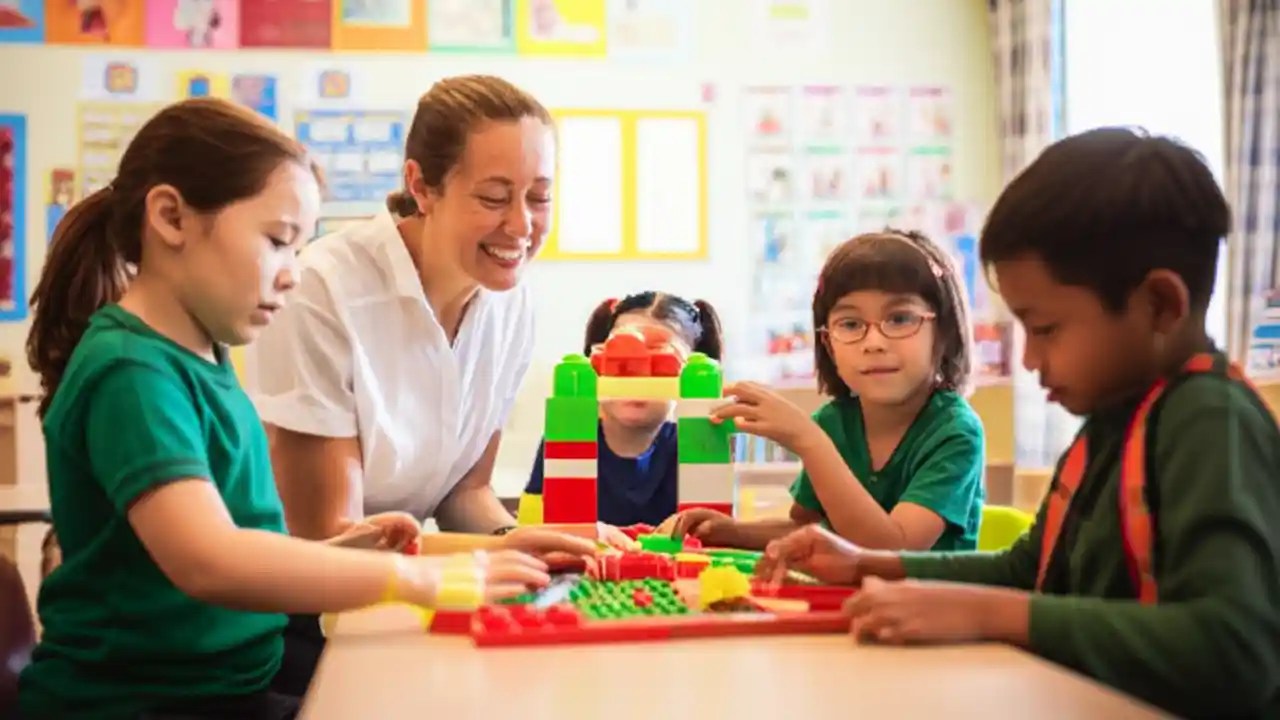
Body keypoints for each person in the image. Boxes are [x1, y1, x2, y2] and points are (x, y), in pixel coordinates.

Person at [17, 98, 592, 720]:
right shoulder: (131, 372)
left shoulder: (200, 360)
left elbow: (246, 538)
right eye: (277, 242)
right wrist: (415, 580)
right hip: (140, 704)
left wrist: (360, 550)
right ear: (170, 218)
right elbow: (209, 560)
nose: (293, 275)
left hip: (227, 687)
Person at [754, 128, 1280, 719]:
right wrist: (868, 564)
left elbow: (1237, 649)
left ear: (1159, 304)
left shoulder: (1209, 420)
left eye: (1046, 328)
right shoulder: (1116, 419)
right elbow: (1031, 568)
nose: (1029, 359)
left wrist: (985, 614)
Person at [245, 74, 608, 692]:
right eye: (495, 197)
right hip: (294, 623)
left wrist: (519, 543)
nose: (521, 225)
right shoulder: (323, 288)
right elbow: (333, 540)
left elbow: (465, 491)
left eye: (539, 197)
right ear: (421, 185)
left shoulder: (510, 303)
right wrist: (502, 551)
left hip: (398, 595)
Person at [667, 230, 985, 553]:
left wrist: (809, 441)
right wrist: (733, 532)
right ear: (828, 345)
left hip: (928, 604)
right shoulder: (835, 421)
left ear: (943, 333)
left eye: (900, 318)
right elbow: (809, 530)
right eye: (850, 324)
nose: (874, 343)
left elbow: (893, 548)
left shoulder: (955, 431)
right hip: (846, 601)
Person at [518, 292, 725, 527]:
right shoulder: (567, 437)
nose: (636, 377)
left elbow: (713, 534)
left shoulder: (695, 443)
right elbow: (536, 527)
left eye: (660, 363)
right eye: (619, 362)